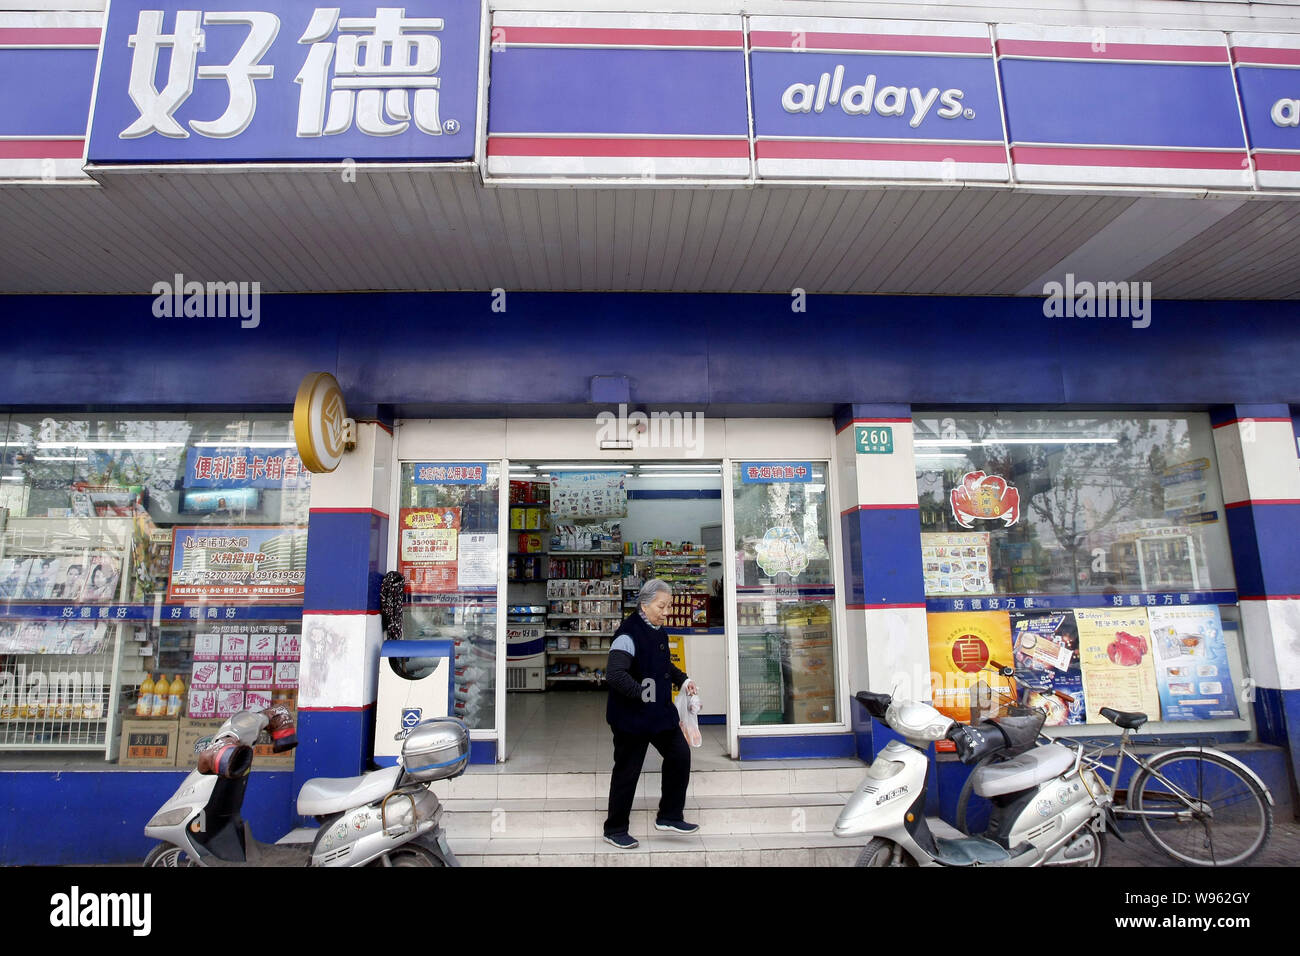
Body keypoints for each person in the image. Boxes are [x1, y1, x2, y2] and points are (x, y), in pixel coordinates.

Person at [602, 578, 699, 849]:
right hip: (631, 718)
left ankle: (669, 815)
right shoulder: (627, 634)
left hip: (659, 715)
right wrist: (642, 693)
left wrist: (683, 679)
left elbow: (663, 663)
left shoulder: (658, 630)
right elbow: (615, 674)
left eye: (669, 606)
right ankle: (615, 829)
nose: (667, 611)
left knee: (680, 754)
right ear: (644, 605)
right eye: (662, 606)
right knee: (627, 771)